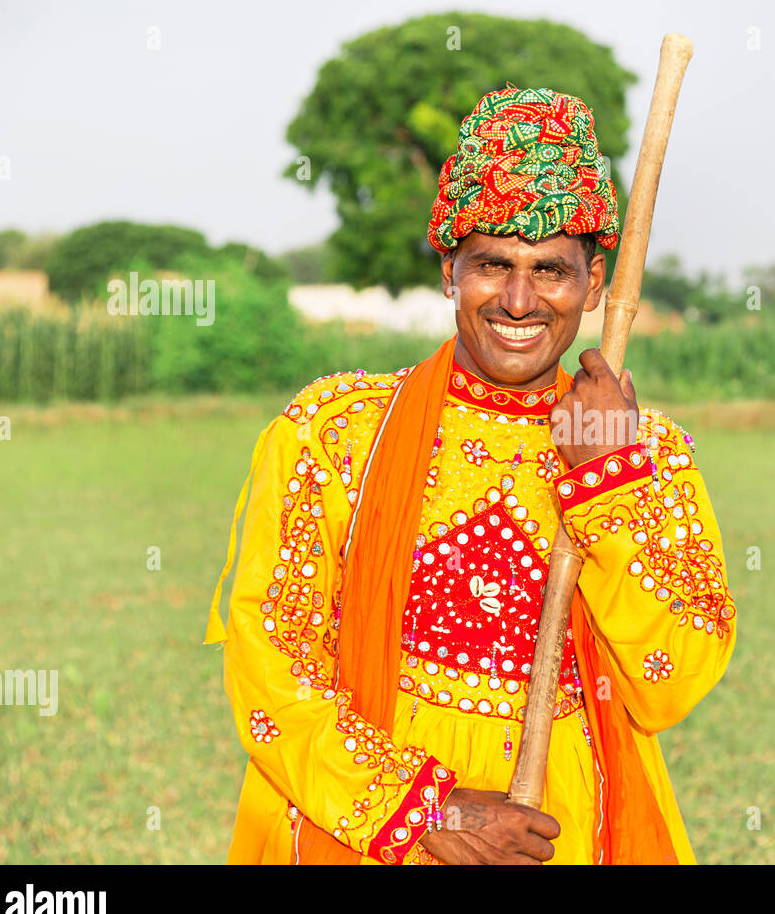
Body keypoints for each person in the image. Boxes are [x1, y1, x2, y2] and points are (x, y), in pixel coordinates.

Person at [204, 85, 737, 864]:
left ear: (594, 283)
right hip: (372, 826)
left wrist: (607, 481)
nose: (518, 301)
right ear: (449, 270)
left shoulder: (645, 452)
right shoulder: (338, 430)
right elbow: (270, 658)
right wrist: (426, 810)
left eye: (550, 270)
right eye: (492, 264)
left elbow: (671, 682)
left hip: (558, 828)